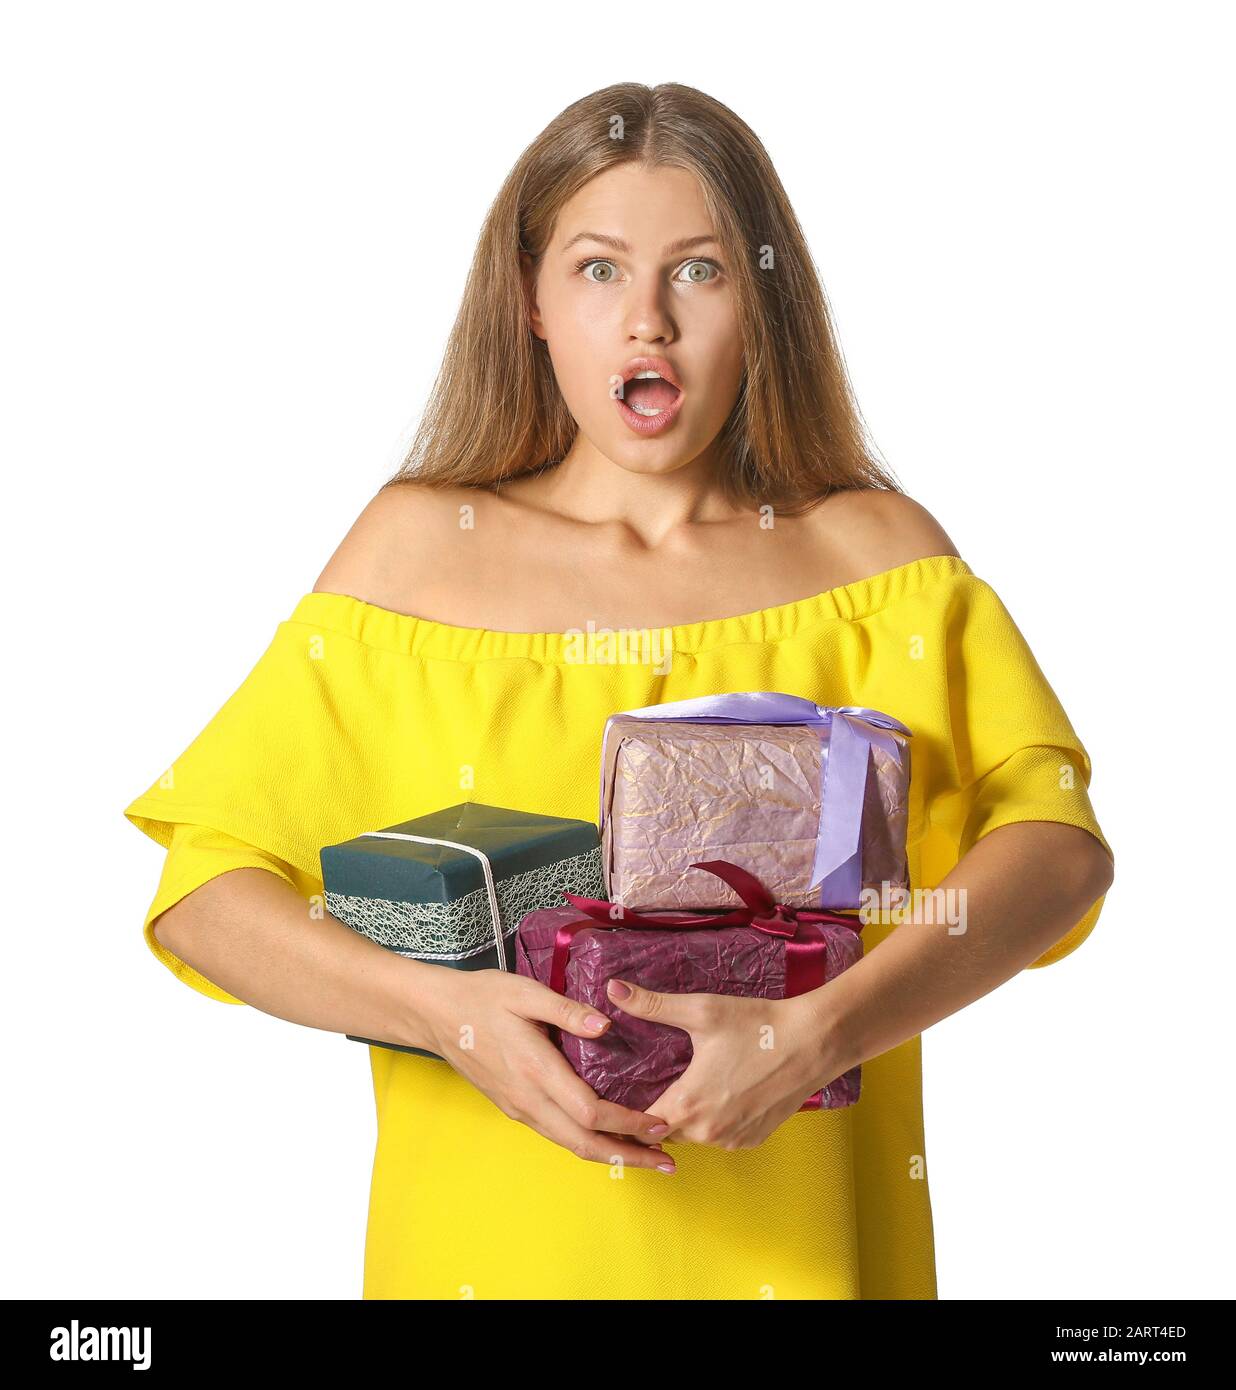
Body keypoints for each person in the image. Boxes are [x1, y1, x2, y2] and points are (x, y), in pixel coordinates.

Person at [122, 81, 1114, 1300]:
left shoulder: (880, 562)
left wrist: (821, 1033)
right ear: (531, 302)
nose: (646, 321)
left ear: (764, 304)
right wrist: (448, 1016)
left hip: (799, 1262)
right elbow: (205, 892)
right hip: (494, 1255)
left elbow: (1056, 847)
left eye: (698, 273)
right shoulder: (419, 555)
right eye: (598, 271)